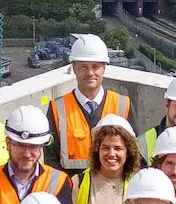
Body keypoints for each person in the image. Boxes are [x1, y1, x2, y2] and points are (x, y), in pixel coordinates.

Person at [47, 32, 131, 174]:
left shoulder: (123, 105)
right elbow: (50, 160)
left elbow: (133, 155)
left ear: (104, 68)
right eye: (83, 67)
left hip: (113, 189)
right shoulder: (57, 108)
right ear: (74, 68)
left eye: (95, 66)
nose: (90, 73)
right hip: (73, 190)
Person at [71, 114, 140, 204]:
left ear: (128, 152)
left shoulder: (137, 186)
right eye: (105, 148)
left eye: (118, 148)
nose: (111, 153)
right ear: (97, 150)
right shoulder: (78, 183)